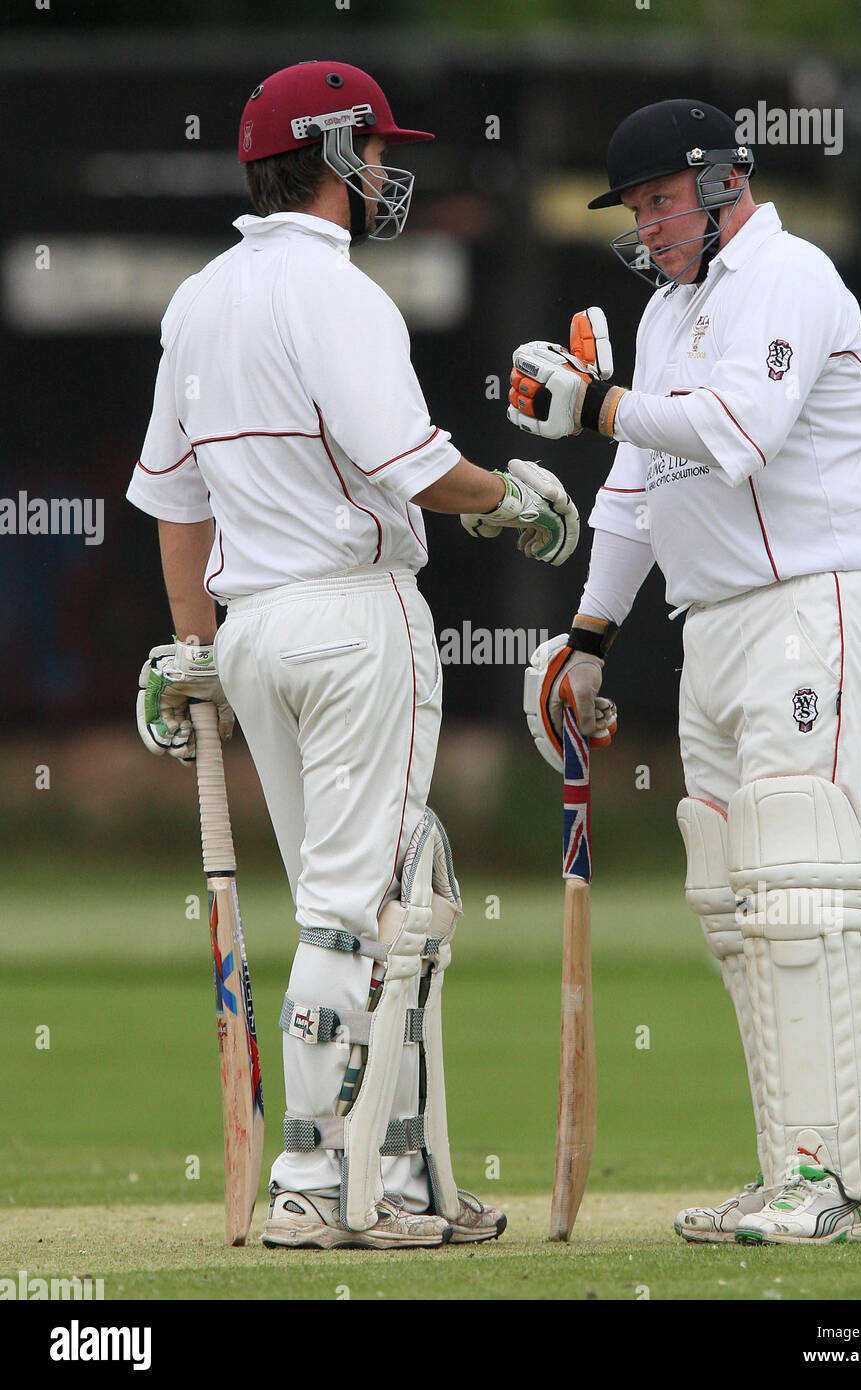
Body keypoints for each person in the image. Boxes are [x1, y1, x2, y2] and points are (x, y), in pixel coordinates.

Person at [129, 59, 580, 1251]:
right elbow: (409, 465)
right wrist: (515, 502)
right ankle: (313, 1182)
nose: (387, 172)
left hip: (256, 633)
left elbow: (174, 502)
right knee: (355, 909)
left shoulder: (200, 299)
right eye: (376, 151)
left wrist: (194, 653)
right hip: (354, 613)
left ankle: (398, 1171)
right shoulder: (340, 295)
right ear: (332, 156)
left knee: (395, 891)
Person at [514, 99, 861, 1245]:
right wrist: (587, 641)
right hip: (715, 621)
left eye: (658, 201)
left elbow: (740, 428)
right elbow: (637, 488)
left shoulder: (788, 276)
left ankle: (825, 1179)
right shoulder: (666, 314)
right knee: (729, 897)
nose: (646, 225)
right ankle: (784, 1169)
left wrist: (589, 403)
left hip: (822, 600)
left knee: (800, 885)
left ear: (724, 180)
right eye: (633, 209)